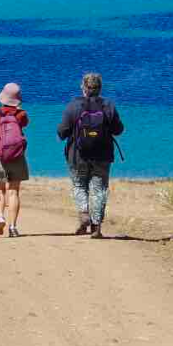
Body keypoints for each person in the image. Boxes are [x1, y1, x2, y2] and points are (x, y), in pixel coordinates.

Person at [56, 72, 124, 237]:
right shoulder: (108, 105)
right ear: (100, 88)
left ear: (83, 87)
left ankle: (84, 214)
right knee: (99, 189)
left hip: (77, 156)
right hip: (103, 155)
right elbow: (119, 130)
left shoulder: (73, 106)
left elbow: (62, 131)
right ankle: (96, 226)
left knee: (79, 186)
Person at [0, 82, 30, 237]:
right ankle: (13, 227)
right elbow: (25, 124)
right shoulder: (21, 115)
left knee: (0, 190)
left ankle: (0, 216)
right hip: (16, 156)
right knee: (14, 192)